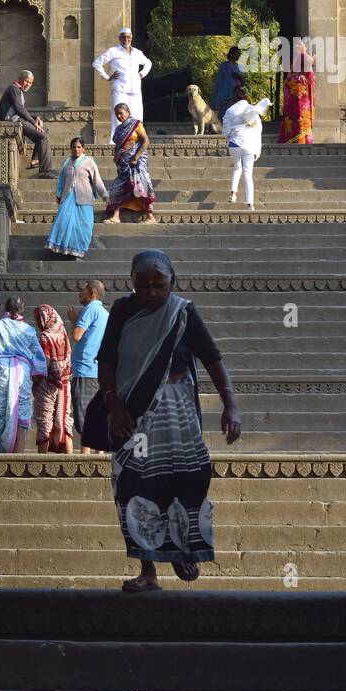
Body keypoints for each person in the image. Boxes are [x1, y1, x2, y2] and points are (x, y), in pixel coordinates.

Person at [94, 249, 241, 592]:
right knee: (132, 486)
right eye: (142, 285)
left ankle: (182, 547)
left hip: (177, 411)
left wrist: (230, 405)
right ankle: (148, 571)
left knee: (186, 479)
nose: (150, 292)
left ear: (172, 282)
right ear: (132, 283)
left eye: (158, 285)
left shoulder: (183, 312)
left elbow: (212, 358)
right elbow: (106, 360)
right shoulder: (122, 311)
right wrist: (112, 403)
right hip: (132, 416)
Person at [0, 296, 47, 452]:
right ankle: (18, 457)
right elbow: (39, 360)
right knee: (22, 412)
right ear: (22, 311)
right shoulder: (29, 330)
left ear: (5, 309)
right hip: (22, 371)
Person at [45, 137, 109, 259]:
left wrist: (105, 195)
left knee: (84, 225)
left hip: (84, 197)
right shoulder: (67, 162)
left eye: (79, 147)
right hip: (68, 197)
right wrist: (59, 194)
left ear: (83, 149)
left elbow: (97, 180)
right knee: (64, 221)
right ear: (71, 149)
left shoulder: (89, 162)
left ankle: (78, 250)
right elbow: (61, 180)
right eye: (74, 147)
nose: (76, 149)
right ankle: (65, 248)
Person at [66, 280, 109, 454]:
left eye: (82, 290)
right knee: (97, 414)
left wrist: (74, 321)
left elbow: (77, 335)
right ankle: (99, 455)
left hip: (85, 369)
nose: (79, 293)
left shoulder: (90, 309)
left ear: (92, 293)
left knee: (84, 415)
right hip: (99, 370)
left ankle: (86, 458)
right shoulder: (105, 313)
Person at [92, 28, 152, 143]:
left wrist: (142, 73)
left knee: (137, 116)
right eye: (123, 36)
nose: (126, 39)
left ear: (131, 38)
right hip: (120, 89)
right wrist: (107, 77)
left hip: (135, 89)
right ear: (120, 38)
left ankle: (138, 140)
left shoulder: (137, 53)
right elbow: (97, 63)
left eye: (128, 36)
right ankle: (116, 142)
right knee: (118, 116)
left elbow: (148, 63)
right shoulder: (113, 51)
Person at [0, 70, 54, 176]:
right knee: (43, 136)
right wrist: (33, 121)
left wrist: (36, 118)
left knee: (45, 129)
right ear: (20, 79)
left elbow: (21, 110)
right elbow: (19, 108)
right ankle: (45, 171)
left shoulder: (19, 91)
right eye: (26, 81)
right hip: (12, 121)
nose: (28, 84)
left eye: (30, 83)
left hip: (18, 119)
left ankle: (35, 160)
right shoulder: (13, 88)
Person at [222, 85, 271, 209]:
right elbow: (258, 128)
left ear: (234, 96)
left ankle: (233, 193)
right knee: (248, 174)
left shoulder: (229, 110)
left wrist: (233, 133)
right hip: (249, 144)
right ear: (246, 96)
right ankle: (250, 204)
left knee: (237, 167)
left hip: (234, 143)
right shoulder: (252, 109)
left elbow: (225, 131)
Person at [33, 303, 73, 453]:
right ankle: (69, 462)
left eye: (37, 319)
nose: (37, 323)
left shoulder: (44, 337)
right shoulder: (62, 332)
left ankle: (42, 462)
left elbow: (44, 363)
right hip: (65, 382)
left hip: (48, 384)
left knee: (44, 420)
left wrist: (35, 383)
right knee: (64, 420)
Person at [106, 102, 156, 223]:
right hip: (123, 163)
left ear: (127, 112)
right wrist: (117, 156)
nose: (119, 116)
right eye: (116, 114)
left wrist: (136, 157)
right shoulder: (118, 129)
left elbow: (145, 141)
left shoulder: (136, 124)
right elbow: (119, 145)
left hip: (136, 163)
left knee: (141, 187)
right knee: (117, 188)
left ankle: (151, 217)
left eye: (121, 113)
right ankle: (116, 216)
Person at [278, 50, 315, 144]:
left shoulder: (290, 78)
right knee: (300, 116)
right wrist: (312, 59)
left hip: (291, 108)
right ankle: (301, 139)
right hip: (301, 107)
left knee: (292, 116)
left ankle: (292, 137)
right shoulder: (301, 78)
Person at [211, 47, 244, 119]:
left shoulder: (239, 67)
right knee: (224, 116)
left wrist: (240, 79)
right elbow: (221, 80)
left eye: (240, 54)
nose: (239, 55)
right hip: (224, 94)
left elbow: (242, 82)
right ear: (232, 54)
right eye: (237, 53)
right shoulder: (224, 65)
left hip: (235, 95)